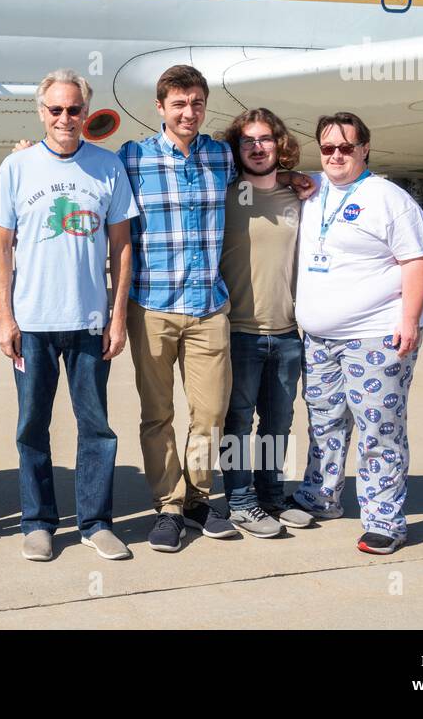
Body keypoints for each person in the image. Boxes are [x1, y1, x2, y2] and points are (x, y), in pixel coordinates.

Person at [119, 65, 315, 552]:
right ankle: (169, 506)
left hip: (209, 308)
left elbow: (261, 168)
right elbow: (87, 179)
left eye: (197, 104)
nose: (189, 113)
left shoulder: (219, 156)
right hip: (153, 306)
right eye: (179, 104)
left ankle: (201, 499)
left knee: (210, 414)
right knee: (158, 414)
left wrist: (295, 176)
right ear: (160, 108)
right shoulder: (131, 157)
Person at [0, 69, 138, 563]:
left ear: (85, 112)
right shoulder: (17, 168)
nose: (65, 118)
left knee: (96, 427)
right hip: (33, 325)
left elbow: (121, 247)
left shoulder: (108, 166)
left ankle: (95, 523)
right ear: (41, 112)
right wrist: (5, 319)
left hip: (90, 324)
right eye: (56, 109)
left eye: (74, 109)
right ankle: (39, 522)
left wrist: (117, 318)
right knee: (33, 426)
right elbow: (1, 248)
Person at [290, 112, 423, 555]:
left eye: (346, 147)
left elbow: (416, 262)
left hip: (376, 335)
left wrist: (408, 321)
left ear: (364, 149)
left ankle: (384, 520)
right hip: (320, 339)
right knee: (324, 421)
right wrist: (296, 175)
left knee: (379, 428)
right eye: (328, 148)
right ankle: (321, 496)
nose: (336, 155)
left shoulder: (389, 199)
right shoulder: (313, 191)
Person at [216, 108, 316, 537]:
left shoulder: (300, 195)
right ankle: (240, 501)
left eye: (265, 139)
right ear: (236, 148)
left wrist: (302, 178)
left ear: (279, 144)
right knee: (237, 421)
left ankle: (271, 495)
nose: (257, 148)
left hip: (288, 330)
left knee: (278, 422)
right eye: (247, 141)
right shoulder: (223, 192)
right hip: (239, 329)